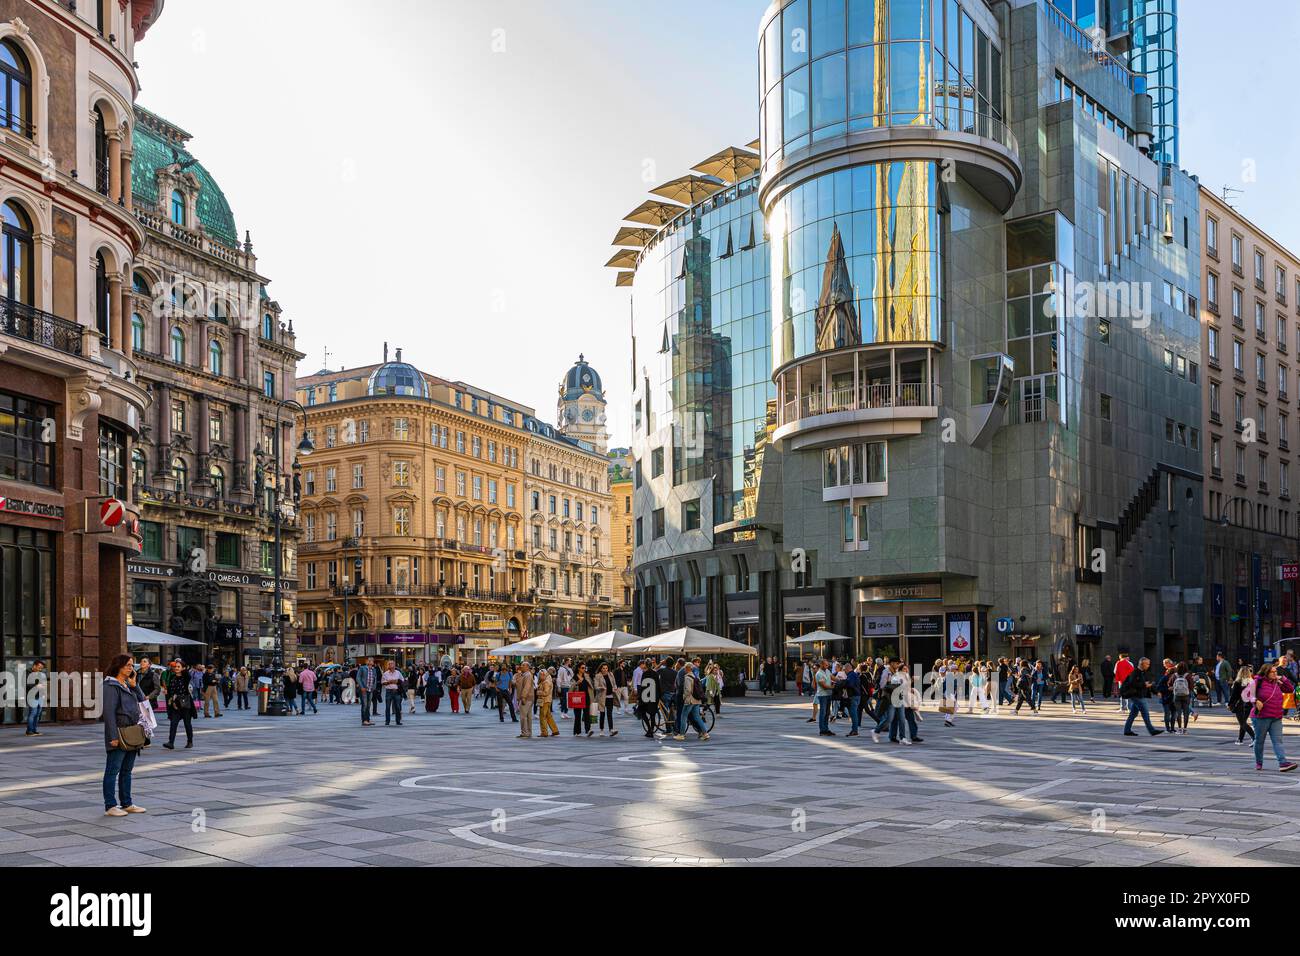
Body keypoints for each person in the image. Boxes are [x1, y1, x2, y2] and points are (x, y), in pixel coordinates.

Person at [102, 654, 148, 817]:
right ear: (119, 666)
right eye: (128, 665)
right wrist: (112, 736)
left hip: (132, 733)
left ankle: (126, 803)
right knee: (112, 770)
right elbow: (108, 713)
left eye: (132, 665)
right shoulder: (110, 685)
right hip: (119, 733)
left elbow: (143, 704)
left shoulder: (127, 685)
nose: (131, 668)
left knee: (127, 770)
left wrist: (135, 686)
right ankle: (110, 805)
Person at [1250, 663, 1298, 772]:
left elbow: (1290, 689)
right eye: (1272, 672)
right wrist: (1255, 701)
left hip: (1276, 716)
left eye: (1276, 671)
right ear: (1266, 672)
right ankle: (1259, 762)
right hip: (1261, 717)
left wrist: (1283, 678)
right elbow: (1248, 695)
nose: (1275, 673)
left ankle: (1283, 763)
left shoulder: (1277, 682)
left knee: (1278, 741)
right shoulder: (1257, 681)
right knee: (1259, 741)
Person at [1120, 657, 1164, 737]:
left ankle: (1127, 730)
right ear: (1141, 664)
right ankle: (1152, 730)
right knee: (1145, 712)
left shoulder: (1144, 673)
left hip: (1140, 695)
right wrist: (1144, 685)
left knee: (1133, 714)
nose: (1148, 665)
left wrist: (1156, 692)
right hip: (1136, 695)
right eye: (1147, 664)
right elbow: (1132, 684)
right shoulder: (1135, 672)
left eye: (1149, 664)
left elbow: (1149, 684)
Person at [161, 659, 197, 750]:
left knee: (187, 723)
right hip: (175, 705)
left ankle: (190, 741)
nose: (176, 668)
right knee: (173, 723)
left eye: (178, 667)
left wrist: (182, 666)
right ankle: (171, 742)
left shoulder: (185, 677)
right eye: (175, 667)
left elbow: (187, 674)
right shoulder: (173, 678)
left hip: (185, 704)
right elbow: (170, 691)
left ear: (183, 668)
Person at [673, 660, 710, 741]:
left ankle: (681, 735)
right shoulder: (694, 676)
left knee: (683, 716)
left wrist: (684, 697)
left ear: (687, 668)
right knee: (697, 717)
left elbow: (688, 690)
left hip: (690, 700)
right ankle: (705, 733)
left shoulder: (687, 677)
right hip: (697, 700)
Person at [1229, 665, 1256, 746]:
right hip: (1249, 705)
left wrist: (1230, 704)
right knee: (1243, 722)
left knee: (1242, 723)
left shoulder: (1238, 682)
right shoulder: (1252, 682)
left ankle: (1255, 738)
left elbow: (1234, 695)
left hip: (1240, 705)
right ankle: (1240, 739)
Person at [593, 663, 618, 737]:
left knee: (609, 714)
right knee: (602, 714)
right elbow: (595, 686)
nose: (605, 670)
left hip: (610, 696)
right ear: (600, 668)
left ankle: (611, 730)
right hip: (602, 697)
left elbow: (614, 684)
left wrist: (615, 688)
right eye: (603, 668)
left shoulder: (610, 674)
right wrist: (601, 688)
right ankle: (601, 730)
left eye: (606, 668)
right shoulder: (598, 676)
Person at [571, 663, 594, 737]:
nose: (584, 669)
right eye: (582, 668)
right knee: (577, 715)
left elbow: (591, 685)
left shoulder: (586, 676)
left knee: (587, 714)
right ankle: (577, 731)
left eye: (585, 668)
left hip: (586, 696)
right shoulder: (574, 677)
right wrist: (576, 684)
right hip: (577, 697)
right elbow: (570, 689)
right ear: (578, 668)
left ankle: (588, 730)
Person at [512, 663, 535, 738]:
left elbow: (526, 687)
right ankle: (528, 732)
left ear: (527, 667)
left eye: (523, 665)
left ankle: (525, 732)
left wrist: (523, 697)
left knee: (523, 716)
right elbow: (519, 684)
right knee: (528, 716)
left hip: (526, 698)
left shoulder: (527, 675)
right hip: (529, 698)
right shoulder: (524, 675)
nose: (521, 666)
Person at [25, 659, 46, 736]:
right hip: (31, 696)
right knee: (33, 713)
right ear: (34, 666)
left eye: (41, 668)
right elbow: (24, 684)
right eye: (39, 667)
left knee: (38, 714)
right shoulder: (27, 673)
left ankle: (34, 730)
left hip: (40, 696)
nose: (40, 669)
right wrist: (36, 686)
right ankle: (29, 731)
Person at [813, 659, 835, 736]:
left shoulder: (827, 671)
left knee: (827, 713)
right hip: (822, 695)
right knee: (823, 712)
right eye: (825, 665)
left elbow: (833, 677)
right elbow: (824, 686)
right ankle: (822, 730)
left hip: (828, 694)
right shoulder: (819, 674)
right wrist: (833, 687)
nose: (827, 666)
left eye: (827, 665)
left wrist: (842, 681)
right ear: (821, 665)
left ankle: (826, 729)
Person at [381, 659, 404, 726]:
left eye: (392, 664)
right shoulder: (385, 673)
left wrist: (397, 681)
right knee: (387, 707)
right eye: (389, 664)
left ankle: (398, 721)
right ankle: (387, 721)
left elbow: (402, 680)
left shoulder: (398, 672)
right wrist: (389, 682)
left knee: (398, 707)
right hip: (389, 691)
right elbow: (382, 682)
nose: (391, 665)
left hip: (396, 691)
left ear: (394, 665)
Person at [536, 666, 558, 737]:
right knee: (548, 716)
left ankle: (544, 732)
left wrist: (538, 692)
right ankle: (555, 730)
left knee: (542, 716)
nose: (540, 676)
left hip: (545, 701)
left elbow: (546, 692)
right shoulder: (546, 680)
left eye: (541, 675)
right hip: (547, 700)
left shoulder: (546, 682)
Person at [355, 657, 377, 726]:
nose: (371, 662)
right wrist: (362, 687)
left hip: (370, 689)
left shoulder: (374, 670)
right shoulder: (362, 668)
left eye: (372, 661)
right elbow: (358, 678)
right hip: (363, 689)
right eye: (369, 660)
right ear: (367, 661)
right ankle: (364, 720)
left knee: (369, 705)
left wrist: (374, 687)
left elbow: (375, 679)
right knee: (364, 705)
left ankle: (368, 719)